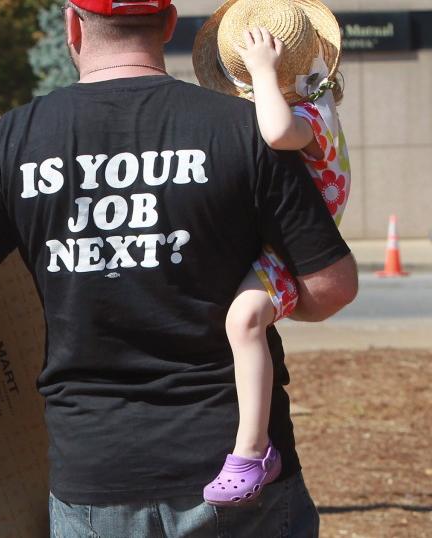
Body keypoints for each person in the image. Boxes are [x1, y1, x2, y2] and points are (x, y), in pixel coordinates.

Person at [0, 0, 357, 535]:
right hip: (236, 464)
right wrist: (253, 302)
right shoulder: (245, 130)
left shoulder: (18, 141)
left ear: (73, 25)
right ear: (166, 24)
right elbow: (331, 287)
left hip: (97, 475)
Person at [191, 0, 350, 506]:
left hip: (291, 250)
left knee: (245, 321)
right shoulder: (307, 108)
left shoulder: (309, 116)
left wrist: (261, 71)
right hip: (277, 241)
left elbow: (277, 131)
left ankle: (253, 450)